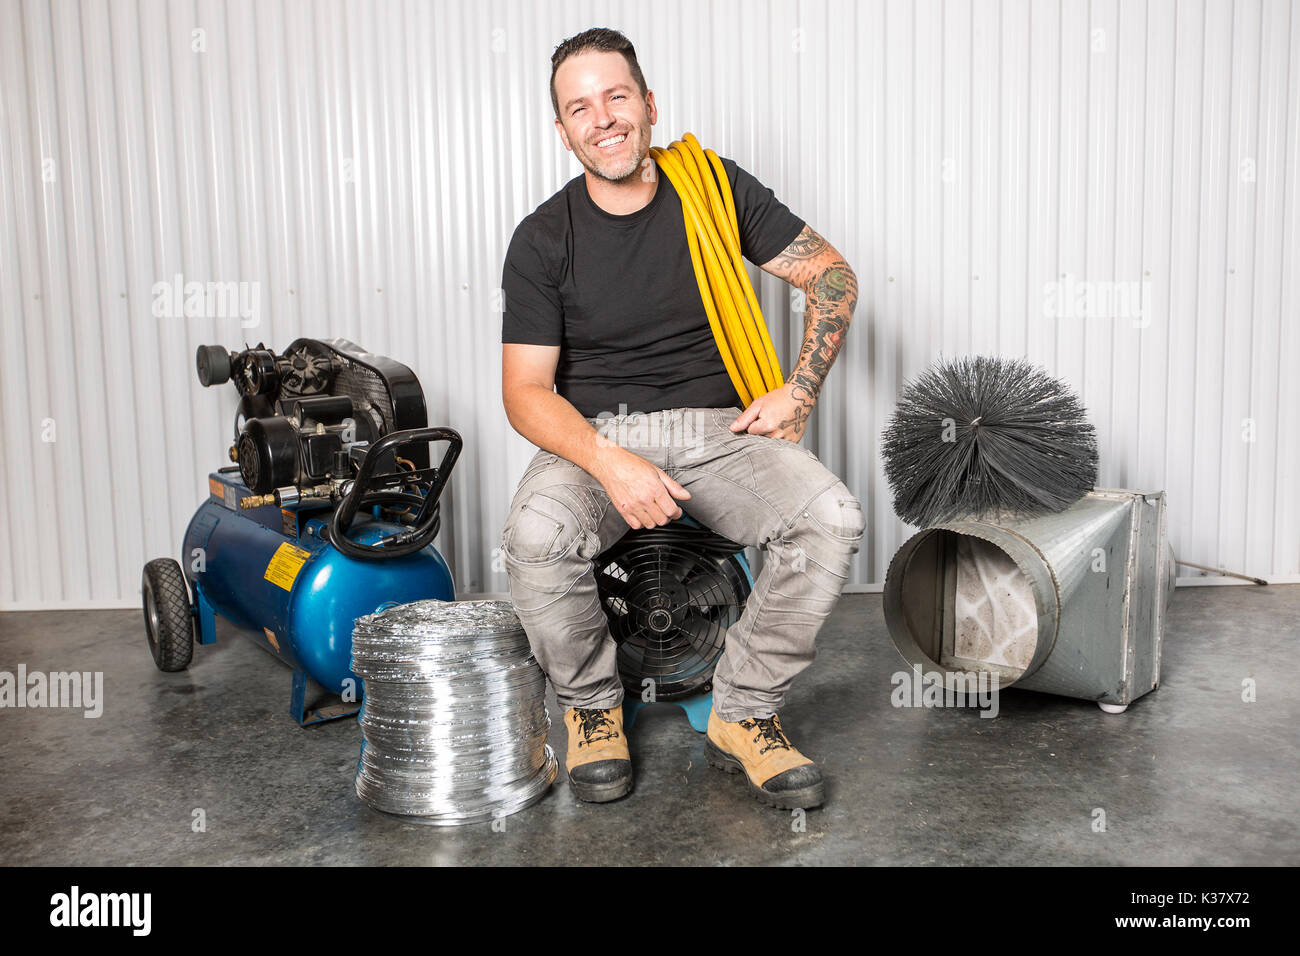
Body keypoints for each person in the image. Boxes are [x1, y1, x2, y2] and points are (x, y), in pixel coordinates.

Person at [498, 27, 864, 811]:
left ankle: (745, 712)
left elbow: (830, 275)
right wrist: (608, 461)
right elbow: (526, 391)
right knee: (533, 537)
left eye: (617, 96)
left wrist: (800, 389)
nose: (604, 118)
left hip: (716, 432)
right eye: (580, 107)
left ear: (649, 104)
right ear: (562, 131)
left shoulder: (714, 189)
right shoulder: (541, 240)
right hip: (593, 438)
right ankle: (594, 709)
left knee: (829, 517)